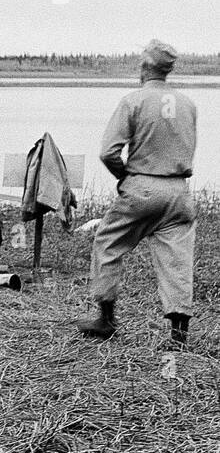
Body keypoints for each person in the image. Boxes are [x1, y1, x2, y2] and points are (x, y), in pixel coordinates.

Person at [78, 40, 197, 346]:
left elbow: (108, 152)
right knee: (177, 260)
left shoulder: (133, 101)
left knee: (108, 242)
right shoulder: (188, 104)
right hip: (180, 191)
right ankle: (178, 335)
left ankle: (106, 319)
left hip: (142, 185)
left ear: (145, 67)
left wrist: (125, 176)